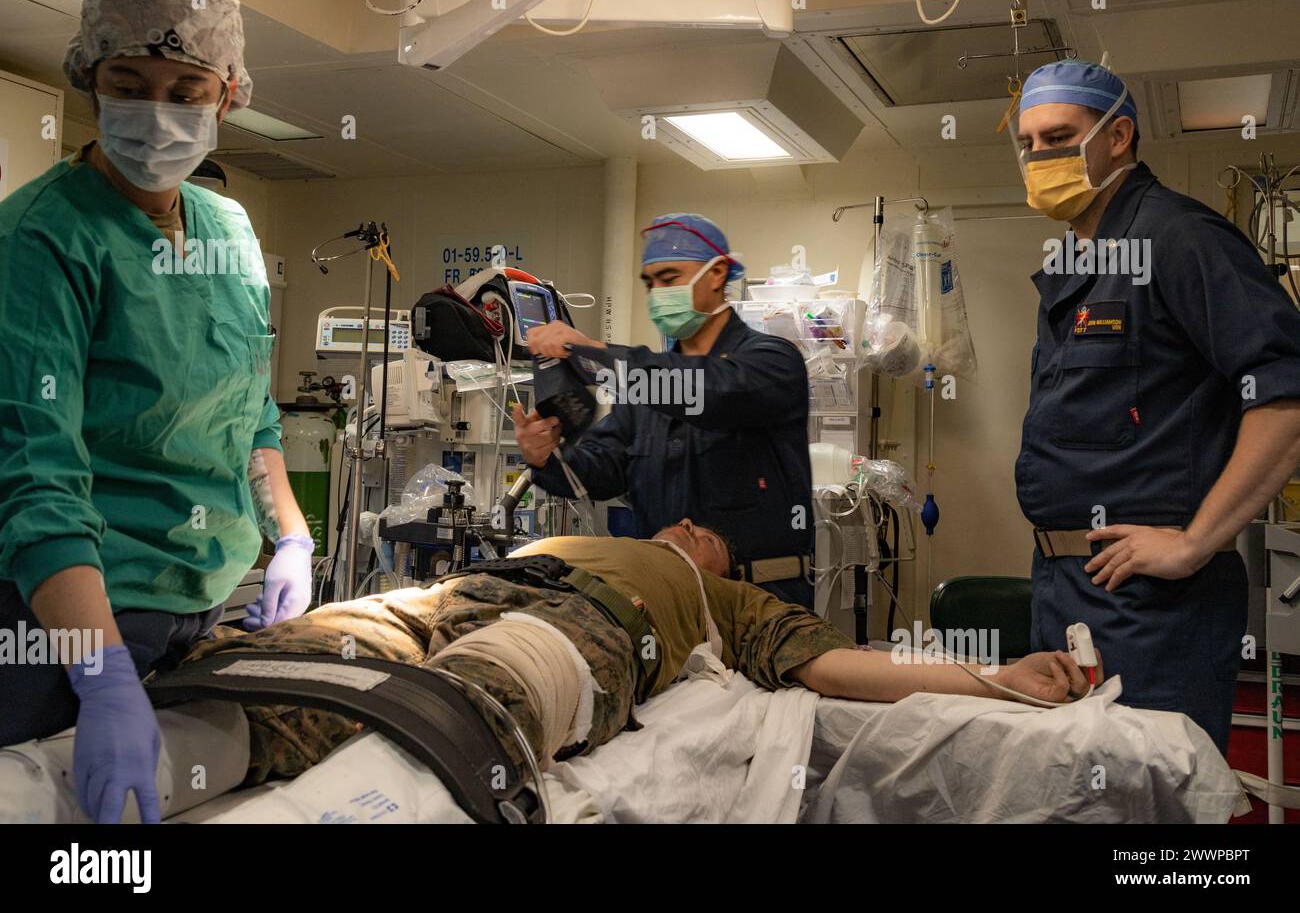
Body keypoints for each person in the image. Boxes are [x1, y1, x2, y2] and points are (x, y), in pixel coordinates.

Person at [0, 0, 314, 822]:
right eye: (129, 86)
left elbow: (252, 410)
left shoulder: (232, 231)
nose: (159, 112)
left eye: (188, 90)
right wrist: (98, 677)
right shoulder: (43, 236)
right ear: (89, 80)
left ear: (228, 95)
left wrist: (291, 536)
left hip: (209, 605)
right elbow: (37, 480)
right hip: (71, 616)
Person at [180, 520, 1097, 789]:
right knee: (291, 659)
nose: (693, 527)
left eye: (708, 535)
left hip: (596, 627)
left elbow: (832, 670)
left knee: (468, 702)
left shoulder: (719, 601)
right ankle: (165, 748)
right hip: (468, 590)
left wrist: (996, 676)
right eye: (686, 522)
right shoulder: (568, 536)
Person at [1011, 59, 1300, 752]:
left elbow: (1286, 396)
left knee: (1149, 805)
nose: (1039, 157)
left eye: (1059, 137)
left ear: (1119, 137)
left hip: (1150, 601)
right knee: (1071, 788)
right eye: (1028, 144)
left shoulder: (1178, 238)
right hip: (1063, 586)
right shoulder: (1078, 266)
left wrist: (1196, 542)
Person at [514, 214, 815, 607]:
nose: (657, 292)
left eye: (670, 278)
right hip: (668, 601)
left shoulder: (772, 362)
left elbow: (706, 390)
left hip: (758, 602)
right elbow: (597, 473)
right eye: (651, 282)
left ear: (717, 274)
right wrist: (545, 456)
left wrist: (596, 353)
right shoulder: (645, 396)